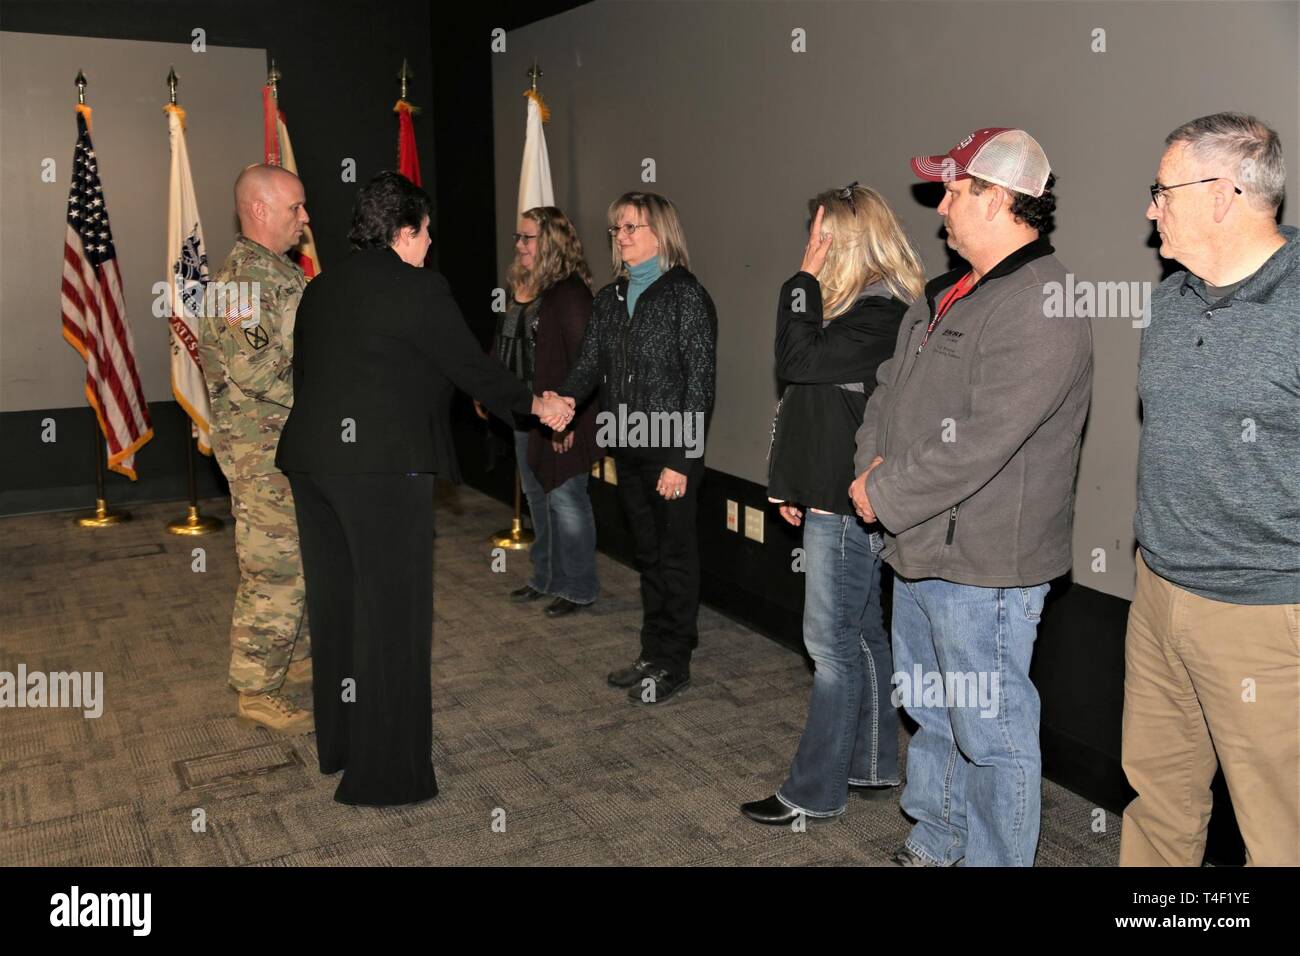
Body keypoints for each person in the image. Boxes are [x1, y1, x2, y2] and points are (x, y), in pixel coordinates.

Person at [274, 172, 572, 805]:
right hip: (382, 472)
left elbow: (324, 375)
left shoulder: (320, 288)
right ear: (404, 232)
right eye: (426, 231)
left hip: (311, 465)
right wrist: (536, 404)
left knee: (338, 608)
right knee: (392, 617)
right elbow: (470, 369)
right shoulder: (421, 288)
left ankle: (343, 747)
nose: (431, 243)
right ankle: (385, 776)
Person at [850, 129, 1093, 865]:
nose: (943, 206)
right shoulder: (942, 294)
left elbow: (982, 439)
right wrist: (869, 473)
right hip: (918, 545)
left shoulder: (1045, 302)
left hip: (986, 569)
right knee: (930, 714)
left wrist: (881, 490)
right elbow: (886, 398)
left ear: (999, 199)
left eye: (956, 191)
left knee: (991, 735)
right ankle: (939, 836)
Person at [1121, 113, 1298, 866]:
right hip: (1157, 592)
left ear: (1223, 195)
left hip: (1261, 615)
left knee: (1277, 832)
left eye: (1163, 190)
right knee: (1157, 805)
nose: (1151, 207)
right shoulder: (1170, 301)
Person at [741, 183, 921, 825]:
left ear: (845, 243)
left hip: (848, 509)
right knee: (862, 633)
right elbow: (812, 403)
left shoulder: (885, 313)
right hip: (828, 496)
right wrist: (790, 482)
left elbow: (795, 361)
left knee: (831, 646)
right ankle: (872, 762)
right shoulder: (852, 313)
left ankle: (813, 791)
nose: (809, 248)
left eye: (820, 239)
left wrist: (801, 276)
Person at [553, 192, 717, 704]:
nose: (621, 237)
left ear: (660, 232)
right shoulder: (608, 298)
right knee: (647, 555)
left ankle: (675, 660)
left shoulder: (685, 295)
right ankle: (652, 650)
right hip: (627, 445)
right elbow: (587, 368)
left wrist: (681, 461)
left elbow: (700, 385)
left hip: (670, 451)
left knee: (674, 557)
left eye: (631, 227)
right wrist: (560, 402)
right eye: (616, 229)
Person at [196, 164, 313, 735]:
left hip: (292, 445)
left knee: (303, 557)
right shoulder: (240, 285)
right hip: (260, 454)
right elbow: (260, 370)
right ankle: (257, 687)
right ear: (261, 210)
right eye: (295, 208)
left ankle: (293, 654)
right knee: (274, 568)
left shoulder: (281, 274)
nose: (305, 218)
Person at [488, 206, 601, 617]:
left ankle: (579, 587)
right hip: (526, 413)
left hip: (560, 418)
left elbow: (587, 362)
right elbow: (503, 342)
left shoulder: (570, 293)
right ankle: (546, 577)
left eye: (527, 238)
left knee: (567, 501)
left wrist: (567, 416)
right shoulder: (523, 285)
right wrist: (488, 390)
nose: (518, 245)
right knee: (538, 497)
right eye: (518, 237)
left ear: (550, 242)